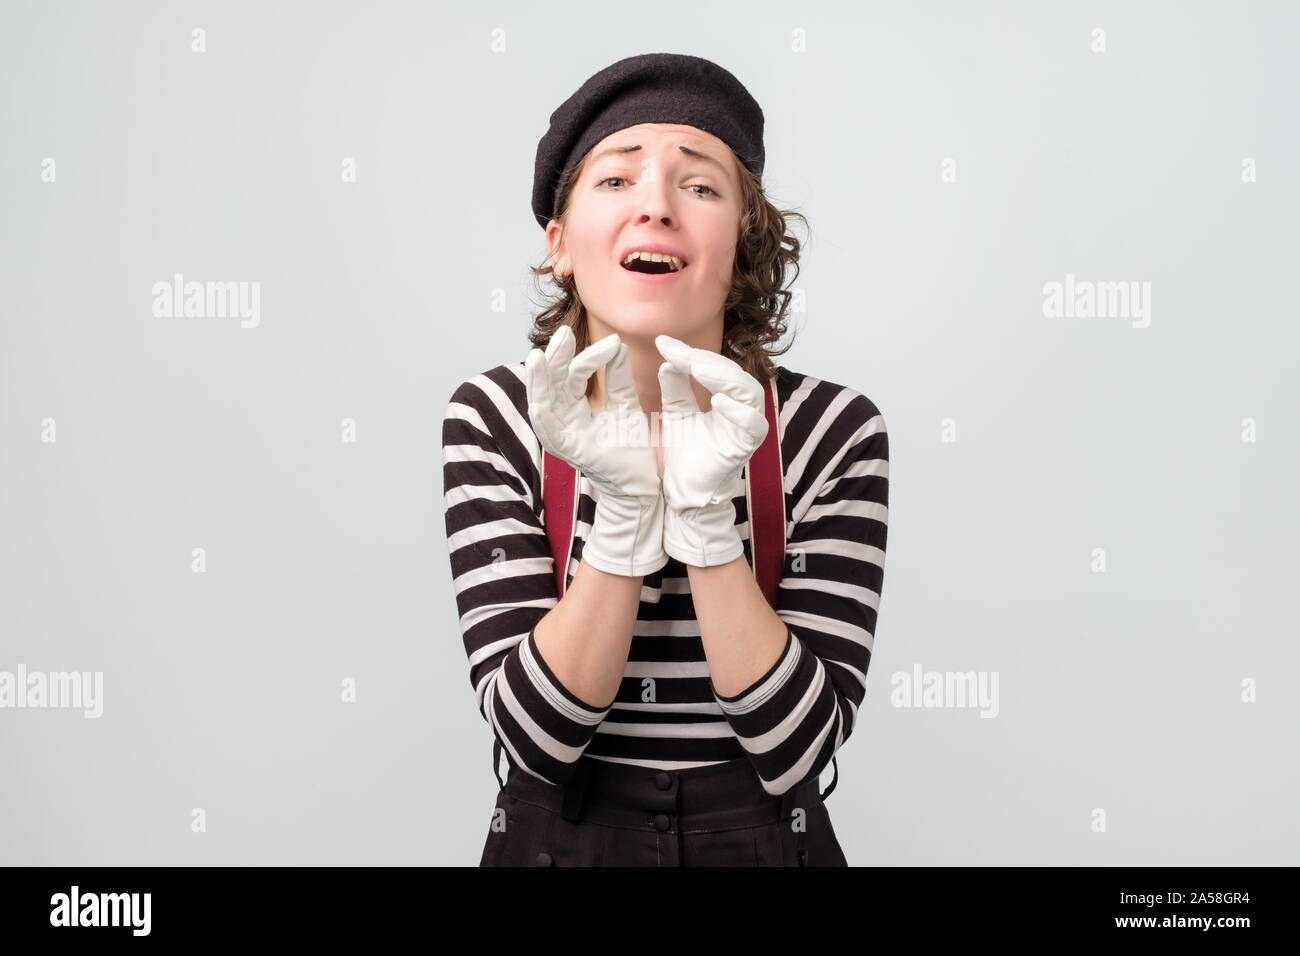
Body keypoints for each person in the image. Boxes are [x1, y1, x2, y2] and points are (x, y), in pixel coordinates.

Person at [441, 52, 889, 866]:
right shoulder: (497, 417)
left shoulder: (835, 428)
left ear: (744, 248)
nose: (655, 205)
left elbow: (796, 748)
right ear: (560, 245)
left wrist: (704, 522)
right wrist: (624, 521)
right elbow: (538, 739)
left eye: (701, 185)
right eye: (616, 180)